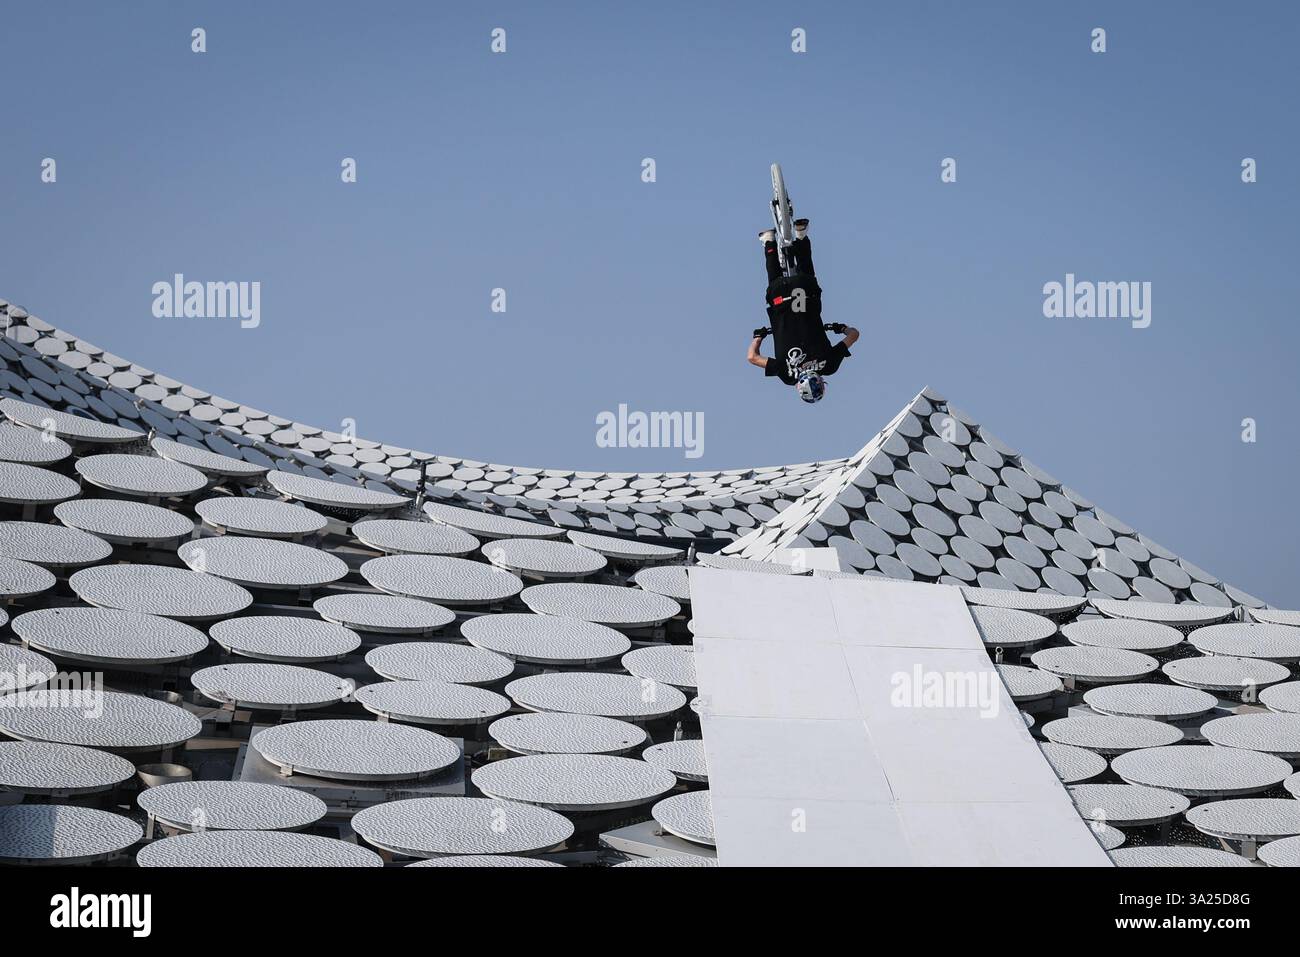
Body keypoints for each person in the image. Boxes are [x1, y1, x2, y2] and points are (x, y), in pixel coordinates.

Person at [747, 218, 858, 403]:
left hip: (806, 293)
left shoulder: (829, 365)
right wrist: (758, 337)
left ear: (821, 382)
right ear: (799, 386)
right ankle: (768, 241)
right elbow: (752, 357)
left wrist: (841, 328)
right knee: (774, 281)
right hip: (780, 298)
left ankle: (801, 235)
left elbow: (854, 335)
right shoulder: (787, 374)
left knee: (807, 275)